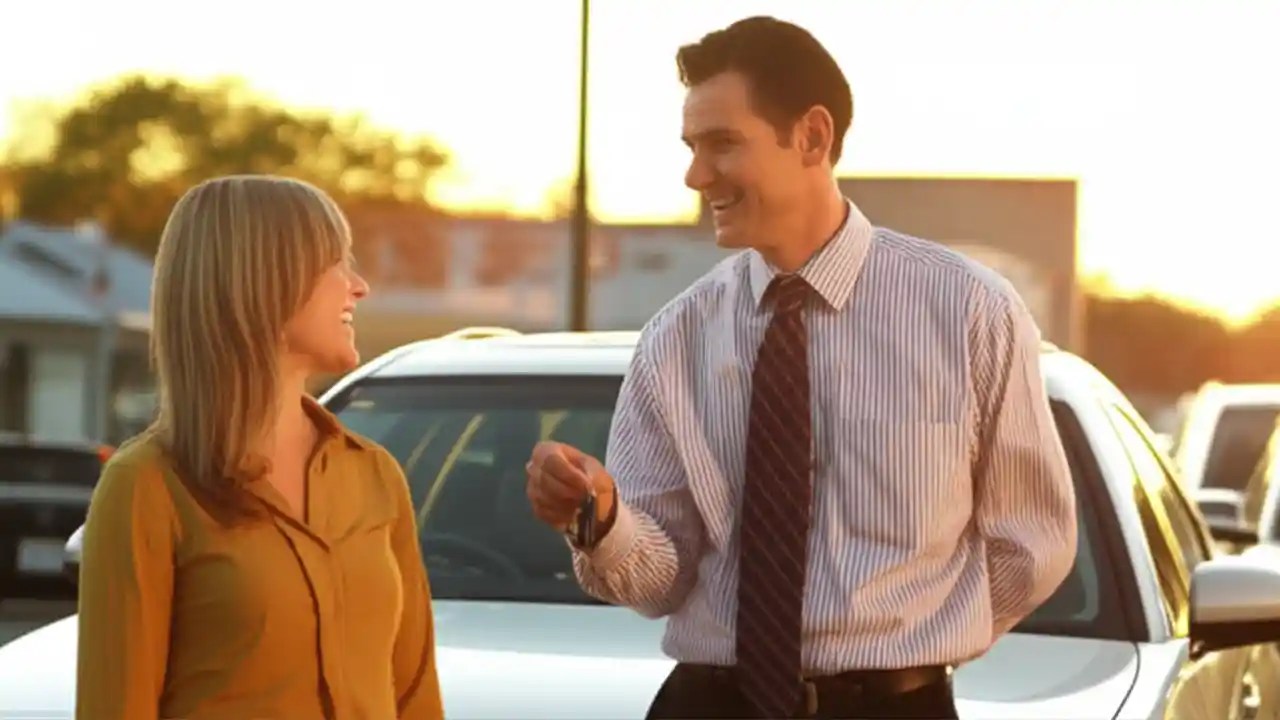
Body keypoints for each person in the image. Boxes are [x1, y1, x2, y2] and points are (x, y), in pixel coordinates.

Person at [526, 16, 1077, 720]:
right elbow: (661, 581)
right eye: (692, 147)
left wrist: (906, 645)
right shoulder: (676, 338)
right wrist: (600, 517)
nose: (696, 175)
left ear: (812, 137)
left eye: (722, 143)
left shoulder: (969, 312)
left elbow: (1033, 545)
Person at [76, 175, 443, 720]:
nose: (358, 285)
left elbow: (415, 697)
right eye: (335, 261)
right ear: (265, 281)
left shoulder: (375, 476)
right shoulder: (146, 486)